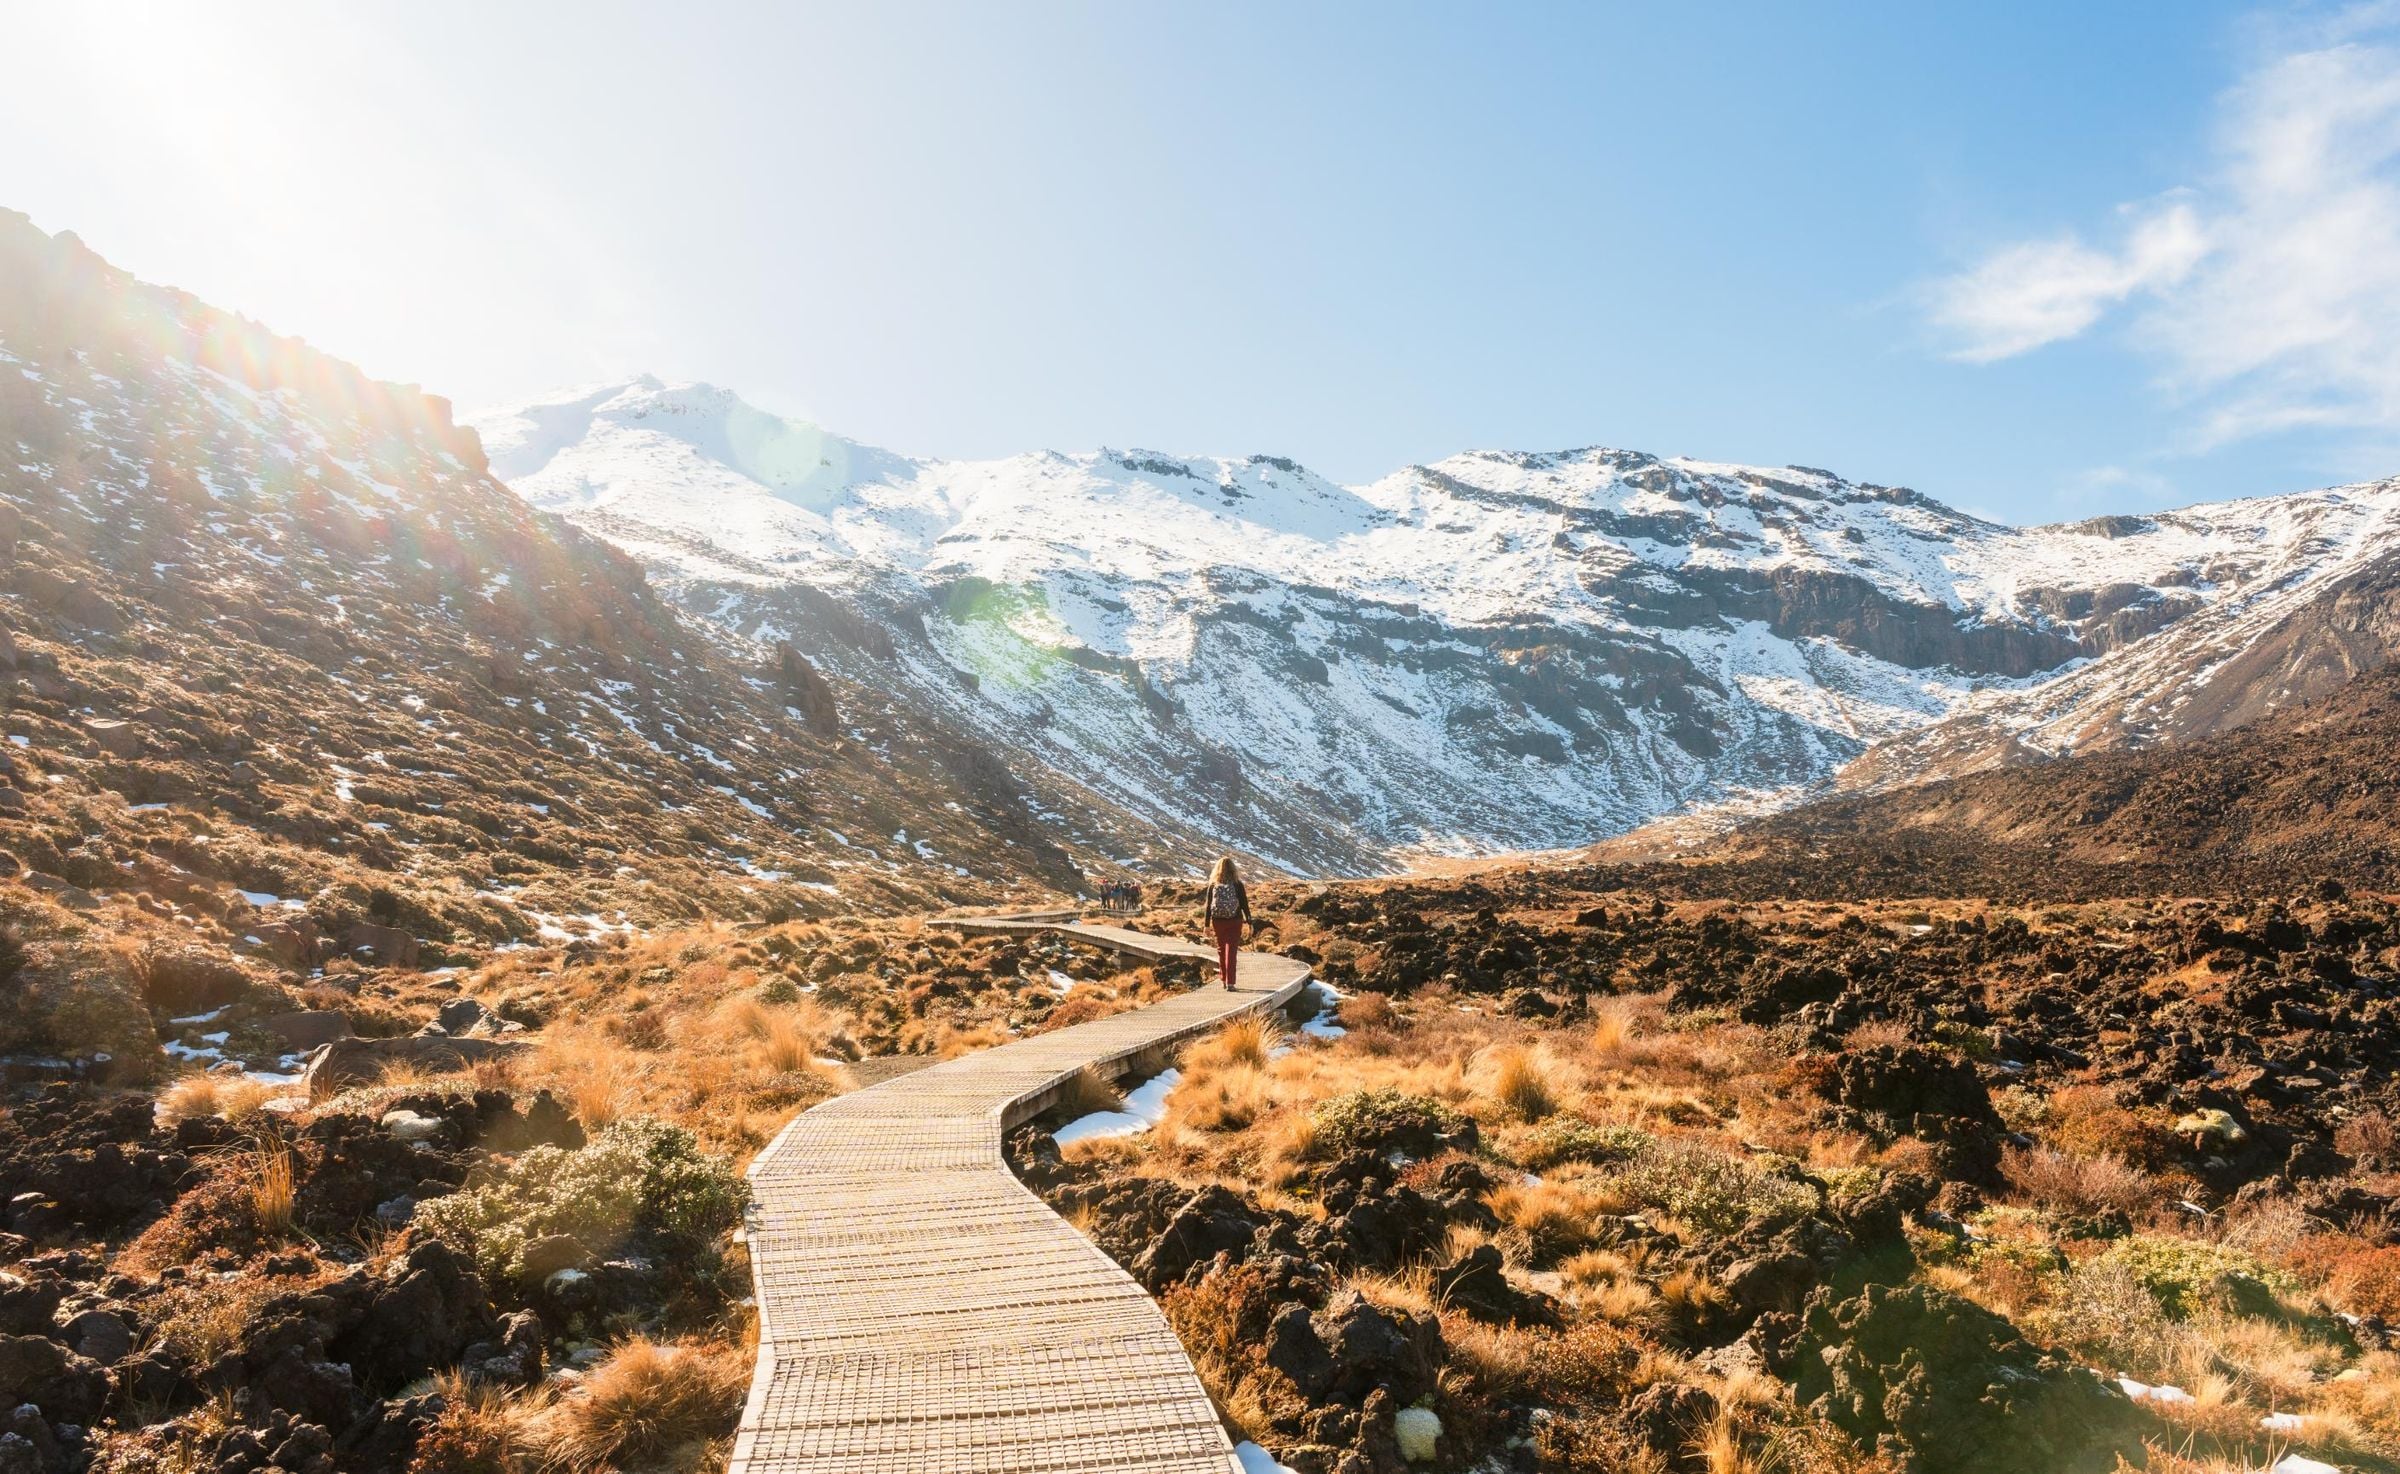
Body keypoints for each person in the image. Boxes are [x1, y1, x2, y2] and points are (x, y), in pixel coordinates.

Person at [1198, 856, 1251, 991]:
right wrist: (1250, 922)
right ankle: (1231, 982)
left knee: (1221, 950)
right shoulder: (1237, 884)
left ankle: (1223, 979)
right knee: (1231, 951)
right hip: (1235, 920)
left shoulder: (1213, 884)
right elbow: (1244, 904)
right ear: (1233, 869)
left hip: (1218, 921)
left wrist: (1206, 925)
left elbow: (1209, 906)